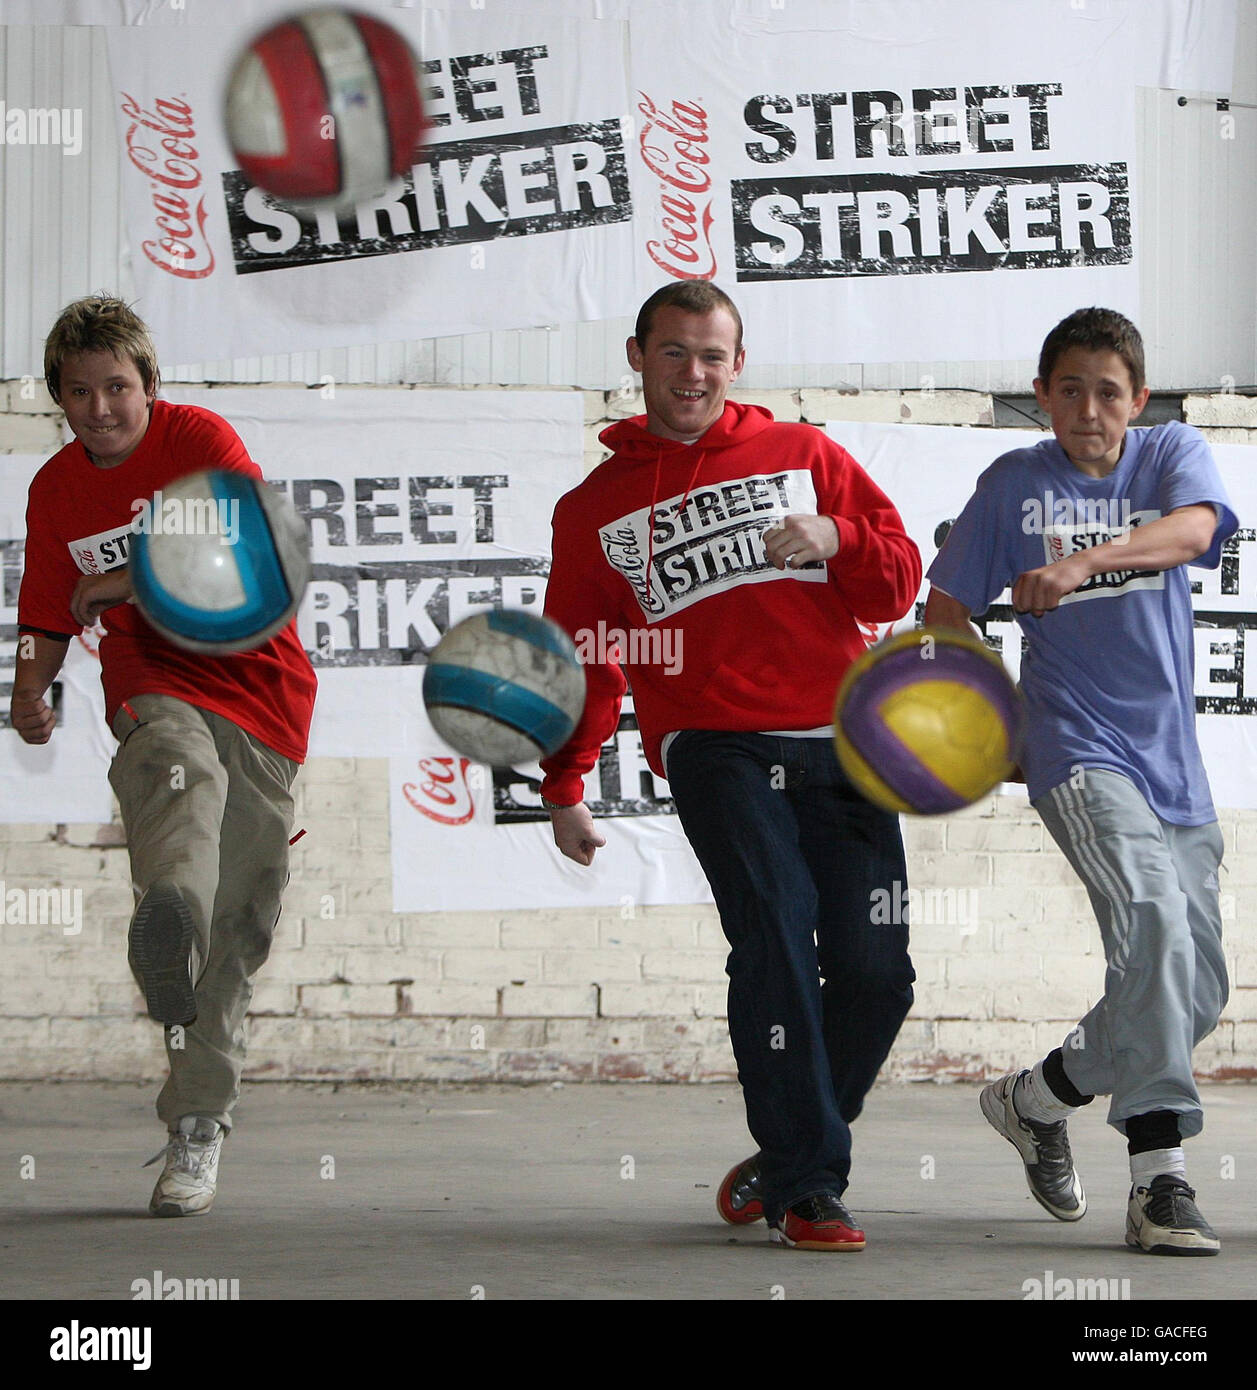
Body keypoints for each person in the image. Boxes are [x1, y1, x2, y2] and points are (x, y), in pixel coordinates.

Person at [539, 281, 921, 1251]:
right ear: (637, 357)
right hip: (713, 746)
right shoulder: (595, 509)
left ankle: (802, 1142)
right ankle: (806, 1181)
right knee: (775, 931)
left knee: (878, 974)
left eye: (712, 355)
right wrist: (565, 784)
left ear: (737, 363)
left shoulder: (806, 455)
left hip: (841, 740)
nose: (693, 373)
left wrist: (837, 536)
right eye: (673, 353)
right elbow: (585, 651)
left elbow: (898, 576)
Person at [925, 306, 1235, 1255]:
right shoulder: (1013, 482)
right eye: (1068, 390)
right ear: (1043, 398)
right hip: (1073, 748)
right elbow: (944, 614)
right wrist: (989, 725)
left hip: (1171, 765)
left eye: (1108, 391)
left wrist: (1081, 564)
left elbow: (1191, 532)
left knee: (1194, 985)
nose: (1089, 408)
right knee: (1150, 926)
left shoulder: (1168, 455)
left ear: (1136, 400)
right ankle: (1159, 1182)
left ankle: (1035, 1097)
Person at [12, 294, 317, 1217]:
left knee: (242, 927)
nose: (99, 409)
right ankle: (169, 903)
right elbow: (45, 606)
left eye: (117, 388)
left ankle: (197, 1124)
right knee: (175, 776)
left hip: (263, 691)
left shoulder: (199, 440)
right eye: (78, 392)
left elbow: (240, 541)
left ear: (151, 386)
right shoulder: (54, 488)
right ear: (58, 398)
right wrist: (31, 687)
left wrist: (116, 579)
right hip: (155, 681)